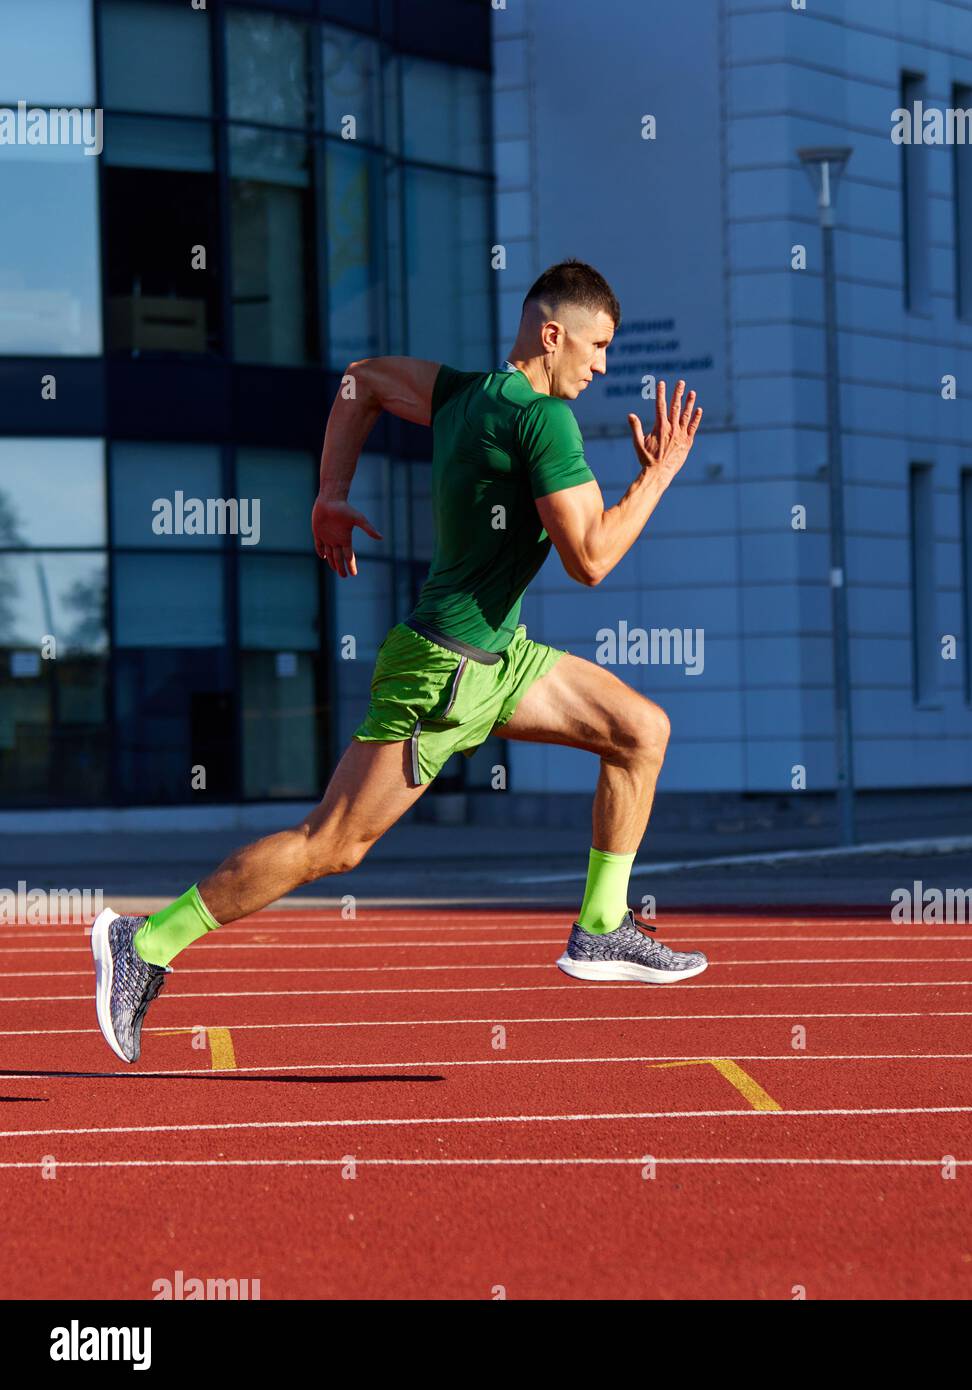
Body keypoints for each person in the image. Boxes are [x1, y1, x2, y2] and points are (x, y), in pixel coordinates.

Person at [91, 259, 709, 1065]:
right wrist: (658, 476)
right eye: (594, 346)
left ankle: (600, 927)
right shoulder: (541, 421)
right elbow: (589, 559)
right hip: (446, 671)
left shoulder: (461, 393)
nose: (600, 367)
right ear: (550, 335)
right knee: (332, 844)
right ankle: (147, 941)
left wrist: (329, 490)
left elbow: (363, 381)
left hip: (498, 657)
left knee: (640, 729)